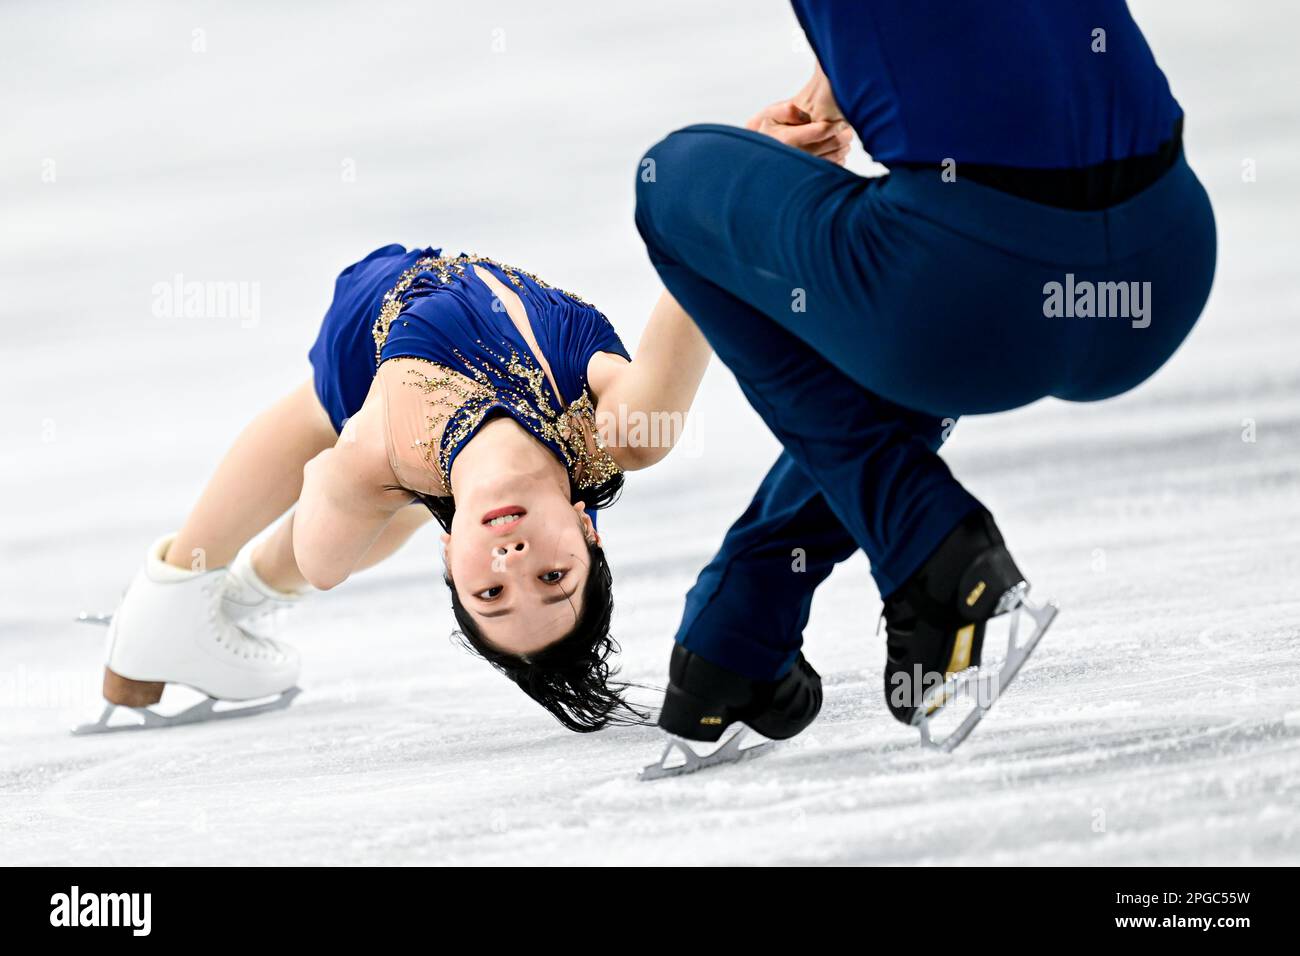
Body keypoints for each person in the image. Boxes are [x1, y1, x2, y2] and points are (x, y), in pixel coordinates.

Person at [634, 0, 1216, 761]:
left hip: (974, 302)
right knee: (914, 231)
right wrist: (826, 93)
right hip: (1164, 266)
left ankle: (921, 545)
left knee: (674, 184)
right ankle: (736, 635)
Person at [93, 247, 724, 732]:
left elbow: (324, 536)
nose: (513, 562)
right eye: (553, 578)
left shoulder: (384, 450)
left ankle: (178, 597)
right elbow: (698, 266)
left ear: (451, 563)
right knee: (399, 500)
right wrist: (767, 161)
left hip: (374, 334)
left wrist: (362, 470)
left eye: (491, 592)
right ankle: (211, 605)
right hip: (432, 436)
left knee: (331, 436)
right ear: (589, 531)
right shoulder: (626, 433)